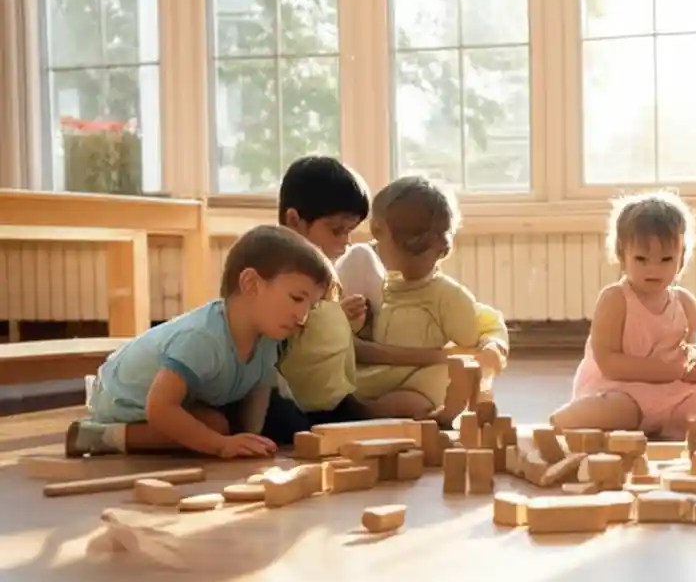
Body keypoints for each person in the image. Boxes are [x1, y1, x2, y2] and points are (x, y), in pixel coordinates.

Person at [66, 225, 334, 457]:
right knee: (214, 430)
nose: (303, 316)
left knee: (217, 425)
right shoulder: (203, 337)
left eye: (310, 305)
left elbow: (258, 391)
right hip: (122, 396)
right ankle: (101, 436)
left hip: (175, 400)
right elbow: (159, 407)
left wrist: (248, 440)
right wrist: (221, 445)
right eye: (298, 299)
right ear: (251, 284)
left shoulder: (269, 339)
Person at [551, 190, 696, 439]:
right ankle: (558, 423)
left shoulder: (685, 303)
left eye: (666, 259)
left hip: (676, 396)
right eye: (641, 259)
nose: (654, 268)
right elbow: (608, 362)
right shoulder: (615, 300)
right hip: (623, 391)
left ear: (682, 259)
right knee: (617, 412)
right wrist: (665, 370)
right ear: (621, 255)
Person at [350, 176, 485, 423]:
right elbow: (347, 342)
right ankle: (364, 409)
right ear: (377, 230)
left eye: (426, 252)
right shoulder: (365, 276)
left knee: (433, 384)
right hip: (370, 377)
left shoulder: (449, 295)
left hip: (418, 381)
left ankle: (391, 413)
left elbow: (469, 352)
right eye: (407, 250)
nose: (417, 262)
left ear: (443, 248)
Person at [266, 155, 373, 443]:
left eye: (349, 231)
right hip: (288, 394)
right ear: (294, 220)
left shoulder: (325, 271)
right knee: (288, 426)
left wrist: (342, 318)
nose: (345, 241)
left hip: (328, 397)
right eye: (337, 230)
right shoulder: (275, 270)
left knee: (361, 424)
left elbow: (319, 335)